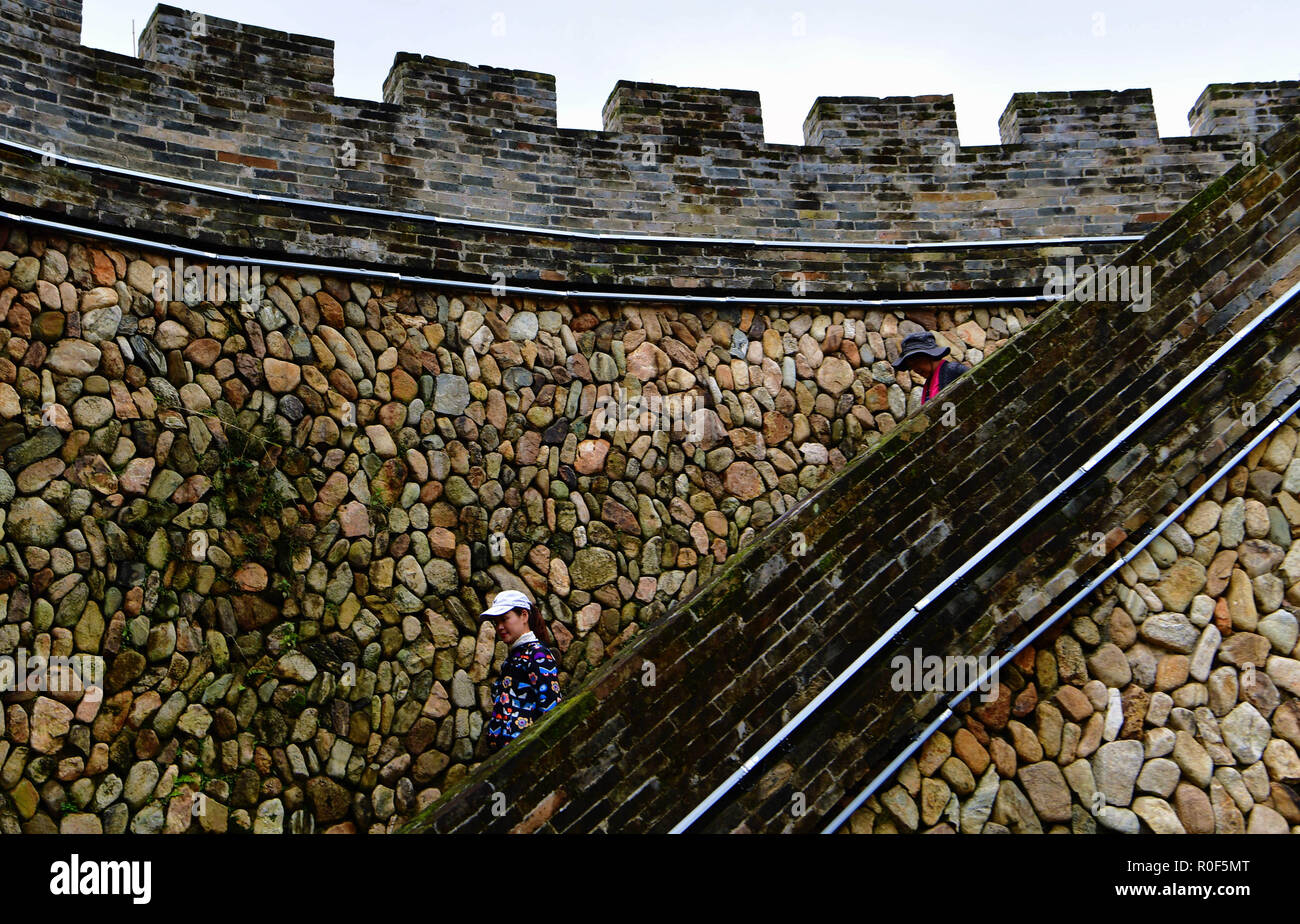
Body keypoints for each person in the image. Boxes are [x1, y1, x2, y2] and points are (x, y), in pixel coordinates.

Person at [481, 590, 562, 752]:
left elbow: (552, 708)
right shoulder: (514, 657)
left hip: (528, 754)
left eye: (505, 619)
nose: (500, 627)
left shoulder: (537, 654)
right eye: (496, 622)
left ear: (524, 616)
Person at [892, 331, 967, 404]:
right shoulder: (929, 385)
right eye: (911, 367)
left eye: (916, 363)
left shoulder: (954, 371)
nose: (915, 370)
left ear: (929, 356)